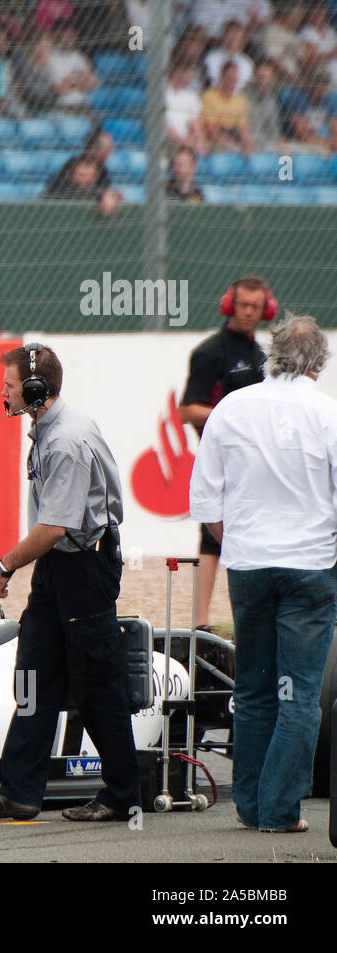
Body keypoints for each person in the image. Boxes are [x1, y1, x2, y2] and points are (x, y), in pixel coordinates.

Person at [0, 344, 139, 821]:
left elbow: (54, 527)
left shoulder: (64, 442)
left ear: (35, 390)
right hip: (60, 565)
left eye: (10, 384)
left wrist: (4, 566)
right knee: (34, 673)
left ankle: (124, 794)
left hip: (84, 565)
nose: (3, 391)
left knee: (96, 681)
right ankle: (19, 793)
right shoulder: (47, 429)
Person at [189, 314, 337, 833]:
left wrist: (240, 543)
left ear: (270, 355)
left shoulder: (231, 408)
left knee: (252, 689)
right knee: (298, 694)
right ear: (318, 362)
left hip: (249, 566)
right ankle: (278, 810)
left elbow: (205, 499)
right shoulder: (326, 413)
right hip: (311, 567)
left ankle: (250, 806)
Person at [179, 275, 272, 629]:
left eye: (256, 306)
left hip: (256, 460)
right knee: (210, 534)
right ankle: (200, 621)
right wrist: (236, 421)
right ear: (230, 305)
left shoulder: (262, 354)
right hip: (220, 456)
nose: (249, 312)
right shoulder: (209, 353)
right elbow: (189, 409)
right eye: (244, 305)